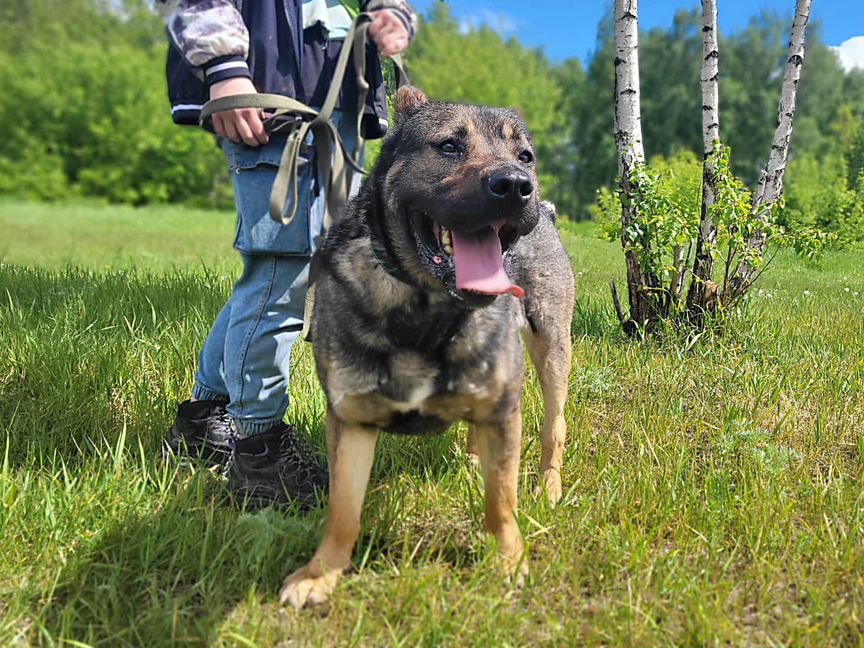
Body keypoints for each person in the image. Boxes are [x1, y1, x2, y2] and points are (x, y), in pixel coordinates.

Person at [156, 0, 416, 508]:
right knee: (280, 269)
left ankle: (203, 420)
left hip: (343, 92)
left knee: (289, 271)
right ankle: (258, 449)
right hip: (268, 89)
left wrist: (391, 12)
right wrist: (223, 65)